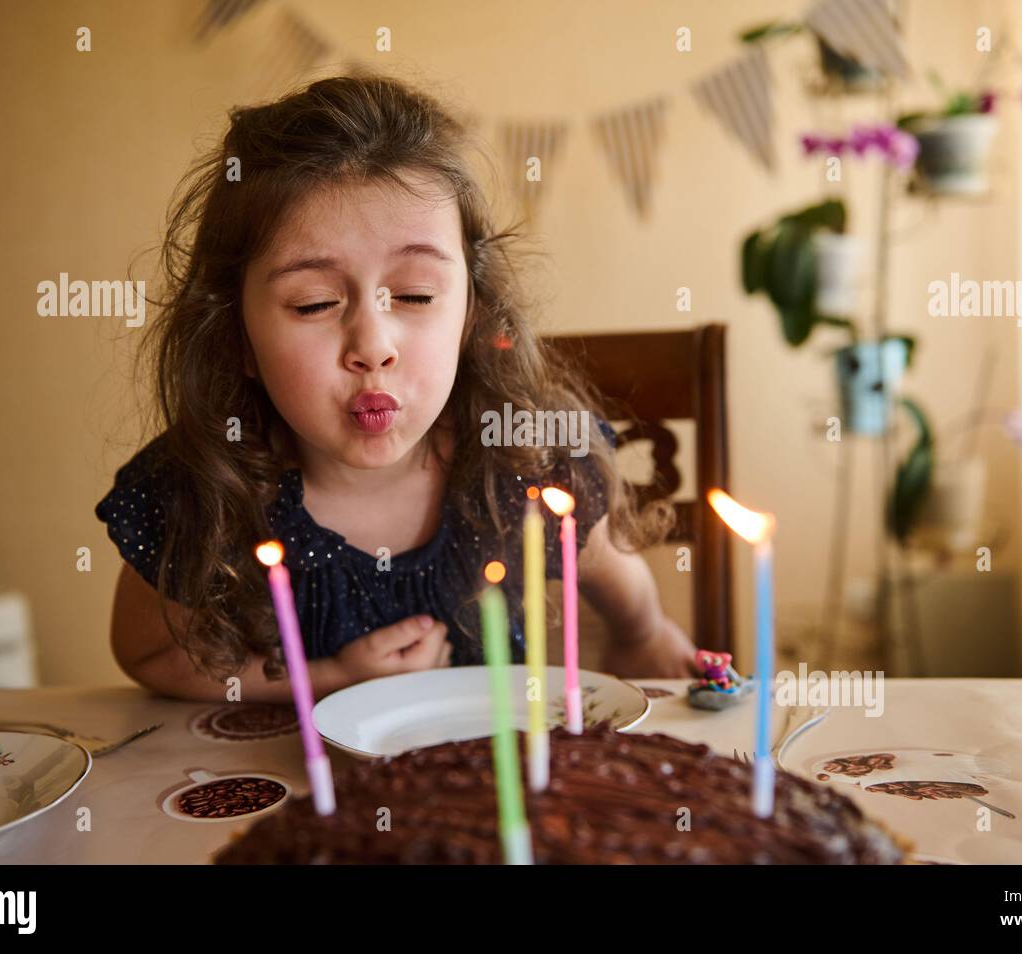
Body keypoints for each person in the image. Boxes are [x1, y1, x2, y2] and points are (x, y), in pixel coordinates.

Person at [96, 74, 699, 703]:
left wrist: (644, 635)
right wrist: (330, 680)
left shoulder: (527, 461)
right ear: (237, 337)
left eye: (414, 295)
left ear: (472, 315)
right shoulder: (201, 489)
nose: (373, 346)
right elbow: (151, 653)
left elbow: (620, 586)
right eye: (314, 303)